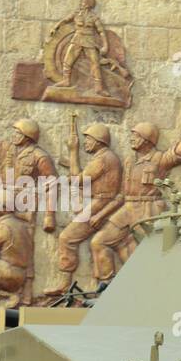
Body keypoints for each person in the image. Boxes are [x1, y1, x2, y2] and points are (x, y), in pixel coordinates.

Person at [89, 114, 181, 282]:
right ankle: (107, 286)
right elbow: (121, 194)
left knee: (149, 252)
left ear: (147, 140)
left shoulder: (159, 159)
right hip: (127, 209)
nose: (131, 138)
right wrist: (100, 215)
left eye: (136, 136)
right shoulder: (129, 161)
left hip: (148, 210)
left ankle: (149, 283)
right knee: (98, 241)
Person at [45, 123, 122, 295]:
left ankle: (66, 284)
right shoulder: (104, 158)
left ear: (99, 141)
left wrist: (73, 151)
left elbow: (78, 180)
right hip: (96, 201)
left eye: (88, 139)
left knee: (66, 237)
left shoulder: (103, 159)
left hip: (100, 203)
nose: (85, 142)